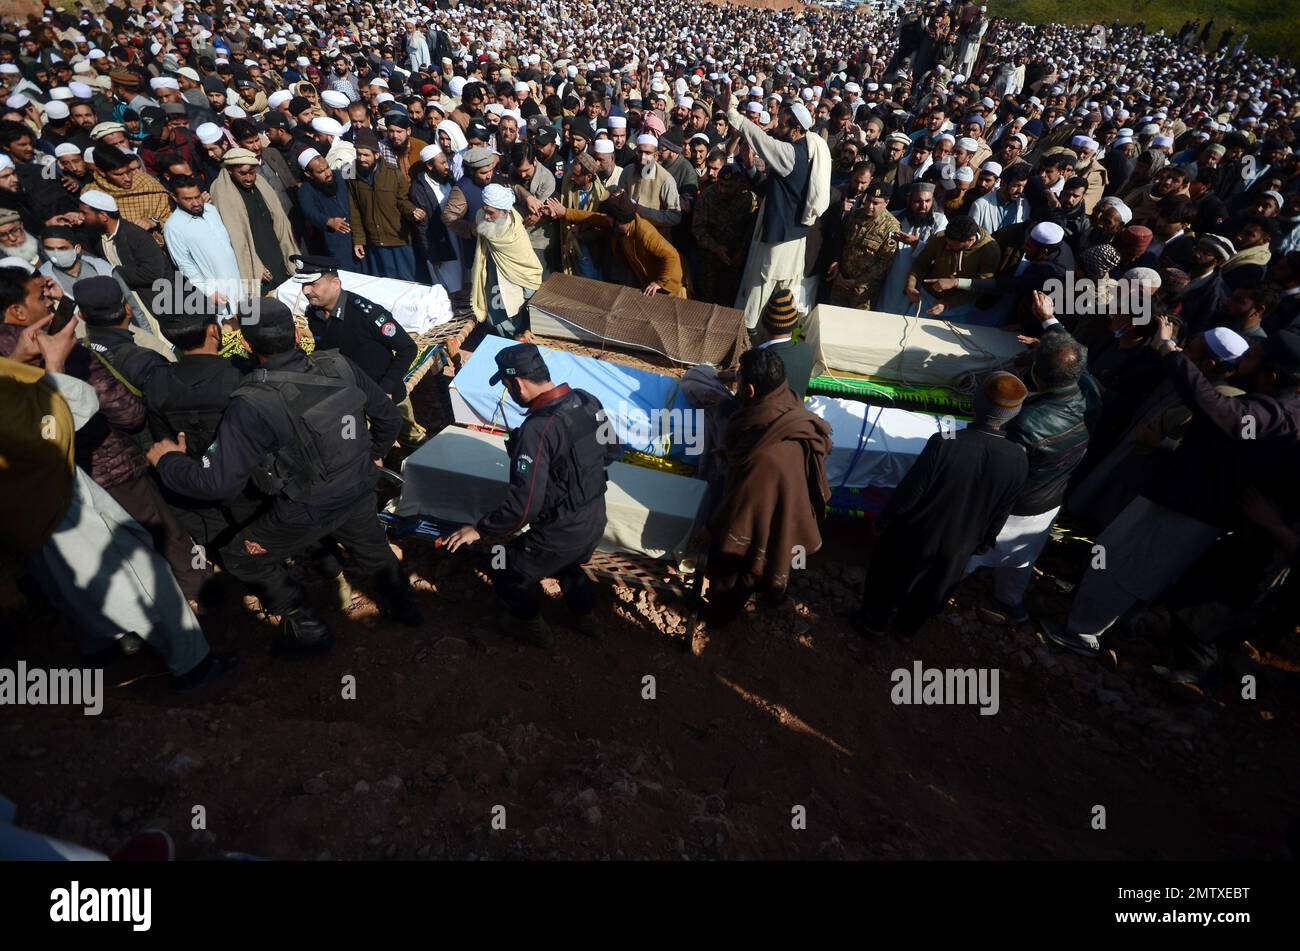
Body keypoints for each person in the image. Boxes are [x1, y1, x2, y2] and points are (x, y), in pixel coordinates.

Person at [149, 297, 422, 654]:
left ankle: (307, 627)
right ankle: (405, 607)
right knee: (373, 549)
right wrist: (368, 456)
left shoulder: (251, 403)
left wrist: (169, 462)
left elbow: (218, 482)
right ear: (296, 333)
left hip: (303, 510)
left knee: (240, 557)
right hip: (356, 488)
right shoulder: (338, 364)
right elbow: (388, 418)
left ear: (246, 344)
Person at [443, 343, 621, 648]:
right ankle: (584, 617)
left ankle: (530, 626)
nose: (509, 392)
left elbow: (523, 507)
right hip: (594, 520)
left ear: (517, 382)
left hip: (561, 531)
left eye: (507, 385)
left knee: (504, 568)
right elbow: (612, 451)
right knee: (569, 566)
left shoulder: (537, 429)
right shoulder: (587, 399)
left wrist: (479, 529)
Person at [857, 371, 1030, 639]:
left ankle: (873, 623)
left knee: (889, 580)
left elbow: (911, 491)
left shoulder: (946, 442)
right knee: (932, 590)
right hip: (961, 543)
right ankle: (906, 630)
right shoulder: (1018, 458)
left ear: (976, 402)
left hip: (915, 532)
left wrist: (884, 520)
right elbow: (1002, 509)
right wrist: (986, 540)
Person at [964, 292, 1092, 621]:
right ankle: (1011, 603)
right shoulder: (1087, 393)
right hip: (1049, 500)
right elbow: (1075, 357)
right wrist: (1049, 320)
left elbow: (1001, 472)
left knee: (970, 551)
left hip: (1014, 505)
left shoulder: (1024, 422)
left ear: (1035, 375)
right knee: (1022, 560)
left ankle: (937, 588)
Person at [696, 346, 831, 643]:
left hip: (761, 506)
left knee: (735, 566)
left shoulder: (762, 455)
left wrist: (709, 528)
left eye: (740, 381)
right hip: (785, 499)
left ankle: (719, 616)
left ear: (752, 390)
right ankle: (772, 590)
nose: (738, 385)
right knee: (770, 550)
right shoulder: (789, 401)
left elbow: (740, 509)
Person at [723, 93, 831, 330]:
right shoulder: (802, 153)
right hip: (791, 237)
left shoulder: (791, 153)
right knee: (784, 297)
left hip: (780, 241)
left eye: (781, 125)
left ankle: (745, 340)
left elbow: (761, 140)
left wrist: (733, 114)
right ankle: (779, 340)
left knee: (760, 291)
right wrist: (750, 167)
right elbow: (773, 191)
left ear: (795, 130)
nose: (776, 127)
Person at [293, 255, 424, 447]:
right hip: (348, 402)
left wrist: (385, 388)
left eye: (313, 284)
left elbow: (407, 349)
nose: (306, 291)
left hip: (384, 397)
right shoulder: (314, 313)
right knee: (355, 446)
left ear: (335, 283)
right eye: (303, 285)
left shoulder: (368, 314)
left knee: (413, 442)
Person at [210, 148, 299, 293]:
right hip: (254, 255)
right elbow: (235, 238)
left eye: (252, 172)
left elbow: (278, 219)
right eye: (243, 173)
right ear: (230, 171)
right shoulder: (222, 191)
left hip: (275, 248)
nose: (249, 178)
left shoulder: (260, 183)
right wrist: (256, 266)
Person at [471, 182, 545, 338]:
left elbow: (526, 267)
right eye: (485, 210)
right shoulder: (483, 218)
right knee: (494, 316)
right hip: (492, 277)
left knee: (512, 318)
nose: (486, 216)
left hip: (512, 284)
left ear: (505, 212)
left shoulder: (514, 234)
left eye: (491, 213)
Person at [162, 174, 245, 313]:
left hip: (242, 283)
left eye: (197, 196)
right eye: (188, 199)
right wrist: (210, 293)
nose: (196, 203)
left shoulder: (211, 210)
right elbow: (185, 266)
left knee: (254, 327)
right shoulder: (173, 227)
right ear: (175, 198)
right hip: (219, 296)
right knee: (231, 333)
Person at [347, 129, 418, 280]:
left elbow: (403, 201)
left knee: (408, 284)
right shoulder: (351, 173)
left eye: (366, 154)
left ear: (377, 155)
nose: (361, 158)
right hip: (375, 242)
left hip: (398, 240)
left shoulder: (394, 174)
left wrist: (413, 212)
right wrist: (358, 240)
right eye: (358, 154)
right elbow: (354, 210)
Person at [827, 181, 900, 309]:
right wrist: (836, 262)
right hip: (841, 281)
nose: (870, 206)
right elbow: (841, 241)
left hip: (863, 292)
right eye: (868, 200)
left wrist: (856, 282)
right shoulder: (854, 216)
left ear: (886, 203)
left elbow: (884, 263)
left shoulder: (891, 227)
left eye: (876, 203)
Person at [754, 289, 814, 398]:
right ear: (794, 324)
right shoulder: (807, 351)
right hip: (796, 412)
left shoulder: (757, 360)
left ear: (764, 323)